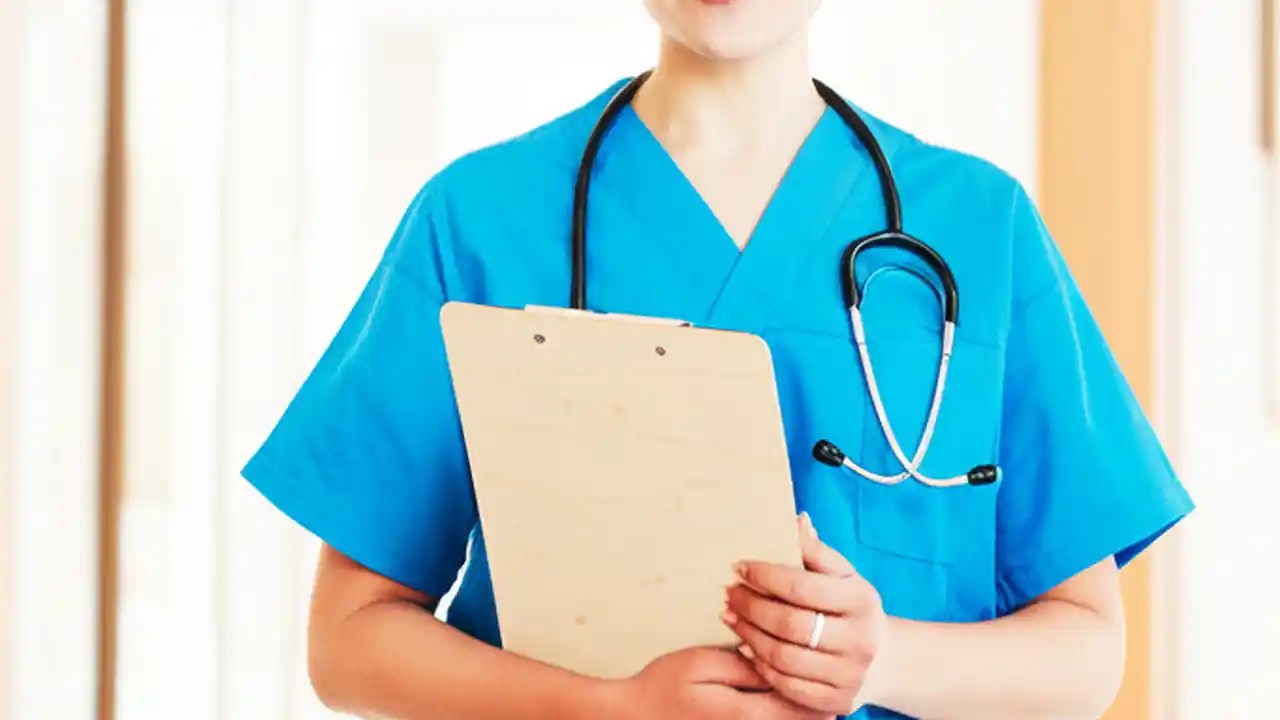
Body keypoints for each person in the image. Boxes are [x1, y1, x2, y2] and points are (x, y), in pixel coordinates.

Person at [242, 1, 1193, 718]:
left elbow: (1087, 650)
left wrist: (878, 659)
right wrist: (612, 708)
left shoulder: (980, 230)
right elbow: (349, 640)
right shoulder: (479, 220)